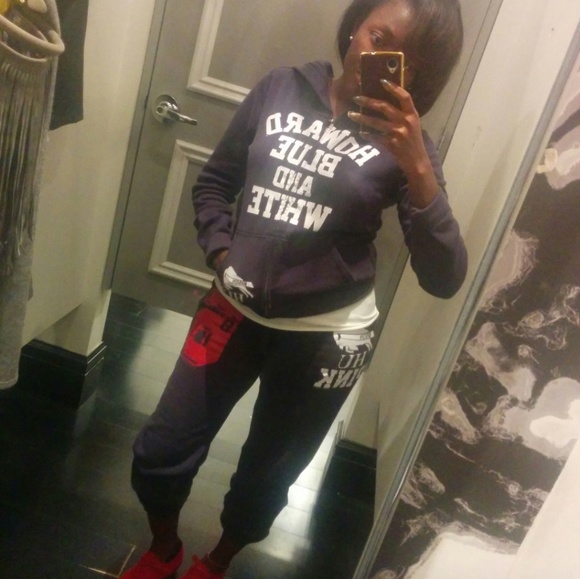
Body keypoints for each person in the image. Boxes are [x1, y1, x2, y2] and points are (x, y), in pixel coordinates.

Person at [122, 0, 467, 577]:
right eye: (378, 34)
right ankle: (163, 550)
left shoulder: (408, 147)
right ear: (355, 27)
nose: (382, 55)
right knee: (160, 450)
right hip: (232, 310)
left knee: (267, 478)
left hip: (326, 340)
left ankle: (216, 563)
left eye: (405, 56)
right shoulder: (280, 88)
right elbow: (214, 183)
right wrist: (223, 253)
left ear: (420, 74)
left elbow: (444, 277)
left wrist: (418, 169)